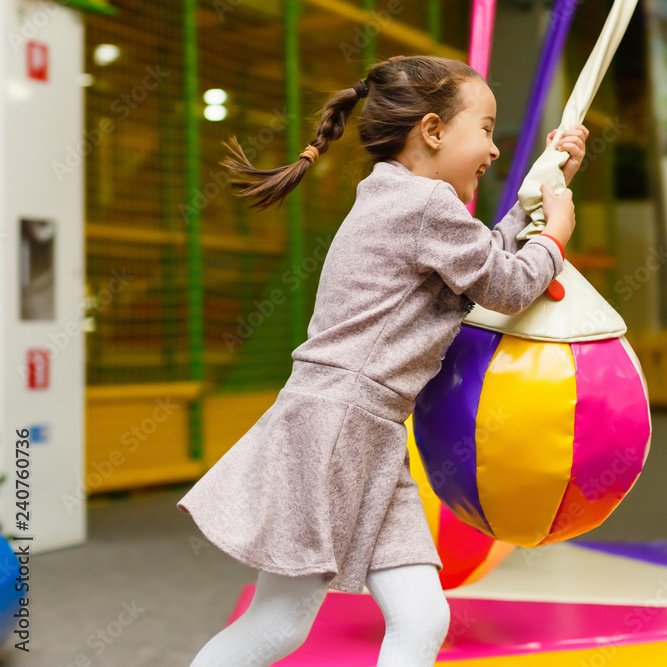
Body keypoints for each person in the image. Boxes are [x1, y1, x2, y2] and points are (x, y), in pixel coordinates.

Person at [177, 54, 590, 666]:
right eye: (484, 128)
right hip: (339, 426)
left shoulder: (400, 197)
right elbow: (505, 285)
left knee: (421, 618)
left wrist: (542, 185)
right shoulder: (425, 205)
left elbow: (482, 256)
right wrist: (555, 234)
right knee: (281, 621)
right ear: (432, 130)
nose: (494, 148)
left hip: (365, 430)